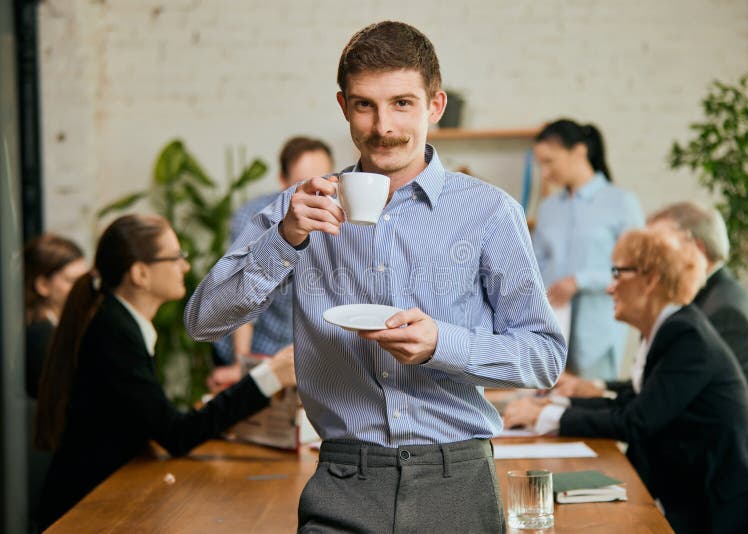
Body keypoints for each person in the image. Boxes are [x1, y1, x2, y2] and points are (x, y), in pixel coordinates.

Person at [184, 20, 566, 532]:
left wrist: (440, 345)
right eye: (365, 104)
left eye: (402, 103)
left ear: (435, 106)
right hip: (343, 479)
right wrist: (284, 238)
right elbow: (202, 321)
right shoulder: (300, 206)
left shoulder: (490, 213)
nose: (382, 126)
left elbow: (543, 357)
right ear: (343, 107)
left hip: (457, 481)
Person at [34, 214, 296, 530]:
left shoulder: (120, 320)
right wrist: (270, 376)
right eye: (175, 258)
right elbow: (176, 434)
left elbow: (154, 420)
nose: (185, 267)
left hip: (107, 497)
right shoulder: (113, 332)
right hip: (83, 512)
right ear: (140, 273)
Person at [503, 227, 748, 533]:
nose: (609, 288)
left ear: (651, 278)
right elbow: (633, 401)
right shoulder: (666, 330)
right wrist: (557, 403)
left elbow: (637, 420)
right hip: (695, 491)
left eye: (617, 273)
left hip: (725, 502)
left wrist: (547, 415)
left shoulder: (687, 335)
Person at [554, 201, 748, 439]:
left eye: (658, 247)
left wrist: (552, 416)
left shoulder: (724, 312)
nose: (610, 287)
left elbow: (665, 405)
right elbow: (659, 384)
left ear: (694, 248)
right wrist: (595, 389)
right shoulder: (685, 312)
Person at [207, 136, 334, 392]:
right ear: (283, 182)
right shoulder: (253, 217)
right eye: (303, 184)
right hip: (254, 344)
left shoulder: (338, 215)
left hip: (299, 346)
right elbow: (242, 291)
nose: (316, 193)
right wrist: (241, 364)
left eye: (324, 180)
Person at [531, 119, 644, 380]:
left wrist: (579, 281)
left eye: (550, 162)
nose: (545, 173)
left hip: (598, 332)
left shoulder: (621, 202)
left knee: (593, 408)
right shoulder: (549, 208)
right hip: (552, 329)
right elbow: (534, 263)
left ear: (579, 151)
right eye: (541, 165)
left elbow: (636, 269)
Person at [23, 233, 87, 398]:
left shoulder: (58, 326)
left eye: (85, 280)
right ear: (43, 285)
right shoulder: (40, 336)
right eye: (73, 281)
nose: (85, 289)